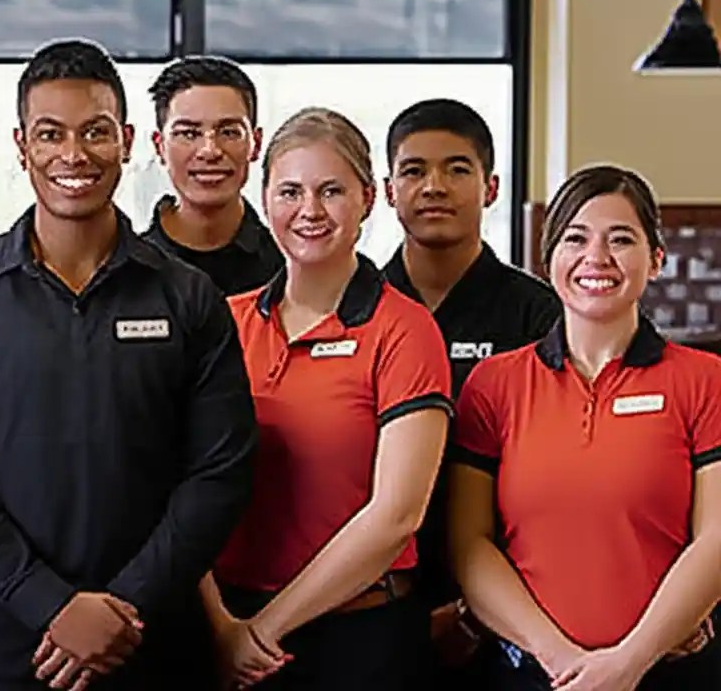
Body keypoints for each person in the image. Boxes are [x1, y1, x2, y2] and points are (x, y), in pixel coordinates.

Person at [0, 38, 258, 690]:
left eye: (95, 132)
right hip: (1, 647)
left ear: (124, 139)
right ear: (22, 144)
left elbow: (219, 474)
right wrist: (51, 605)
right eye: (50, 134)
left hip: (151, 644)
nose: (74, 154)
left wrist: (125, 607)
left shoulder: (187, 297)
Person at [204, 107, 452, 690]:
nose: (310, 211)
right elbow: (177, 484)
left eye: (331, 191)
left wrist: (263, 632)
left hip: (359, 640)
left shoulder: (404, 330)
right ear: (264, 200)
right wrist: (220, 625)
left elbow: (396, 516)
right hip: (225, 628)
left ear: (367, 198)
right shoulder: (222, 323)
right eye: (290, 191)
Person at [449, 164, 721, 691]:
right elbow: (470, 545)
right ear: (547, 259)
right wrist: (561, 660)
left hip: (672, 673)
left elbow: (716, 538)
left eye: (621, 239)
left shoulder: (706, 381)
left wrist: (627, 663)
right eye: (576, 238)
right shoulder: (495, 384)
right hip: (533, 674)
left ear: (656, 260)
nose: (596, 258)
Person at [378, 98, 561, 684]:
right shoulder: (360, 307)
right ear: (387, 190)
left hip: (511, 610)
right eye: (414, 171)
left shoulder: (539, 314)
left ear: (491, 186)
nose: (434, 186)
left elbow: (559, 475)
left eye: (457, 169)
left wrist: (477, 616)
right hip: (375, 603)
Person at [142, 55, 282, 295]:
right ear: (160, 147)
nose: (210, 151)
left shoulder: (288, 267)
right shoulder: (127, 270)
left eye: (228, 132)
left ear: (256, 144)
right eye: (188, 134)